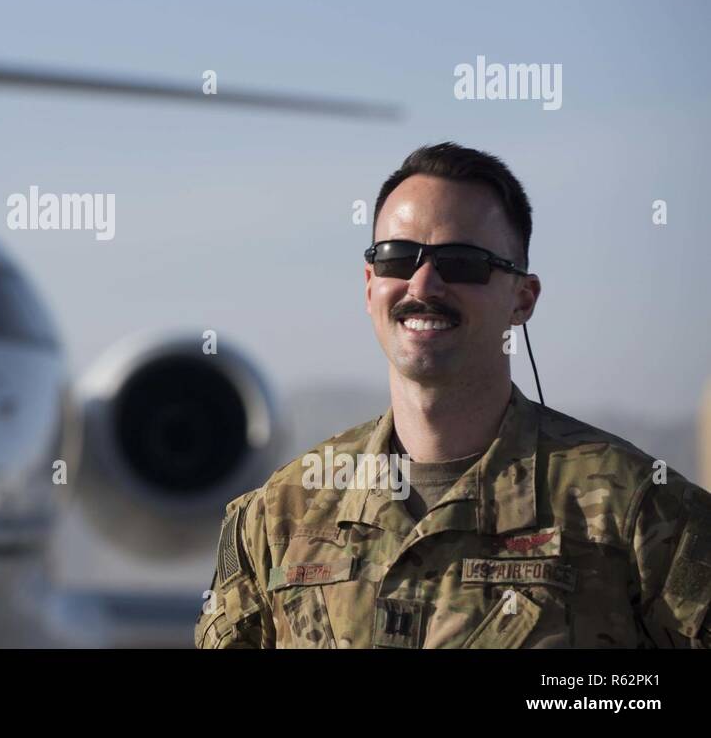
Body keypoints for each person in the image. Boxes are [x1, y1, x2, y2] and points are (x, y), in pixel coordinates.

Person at [195, 142, 711, 648]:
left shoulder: (638, 514)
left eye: (462, 262)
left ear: (523, 298)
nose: (423, 284)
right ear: (370, 284)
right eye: (399, 258)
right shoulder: (279, 518)